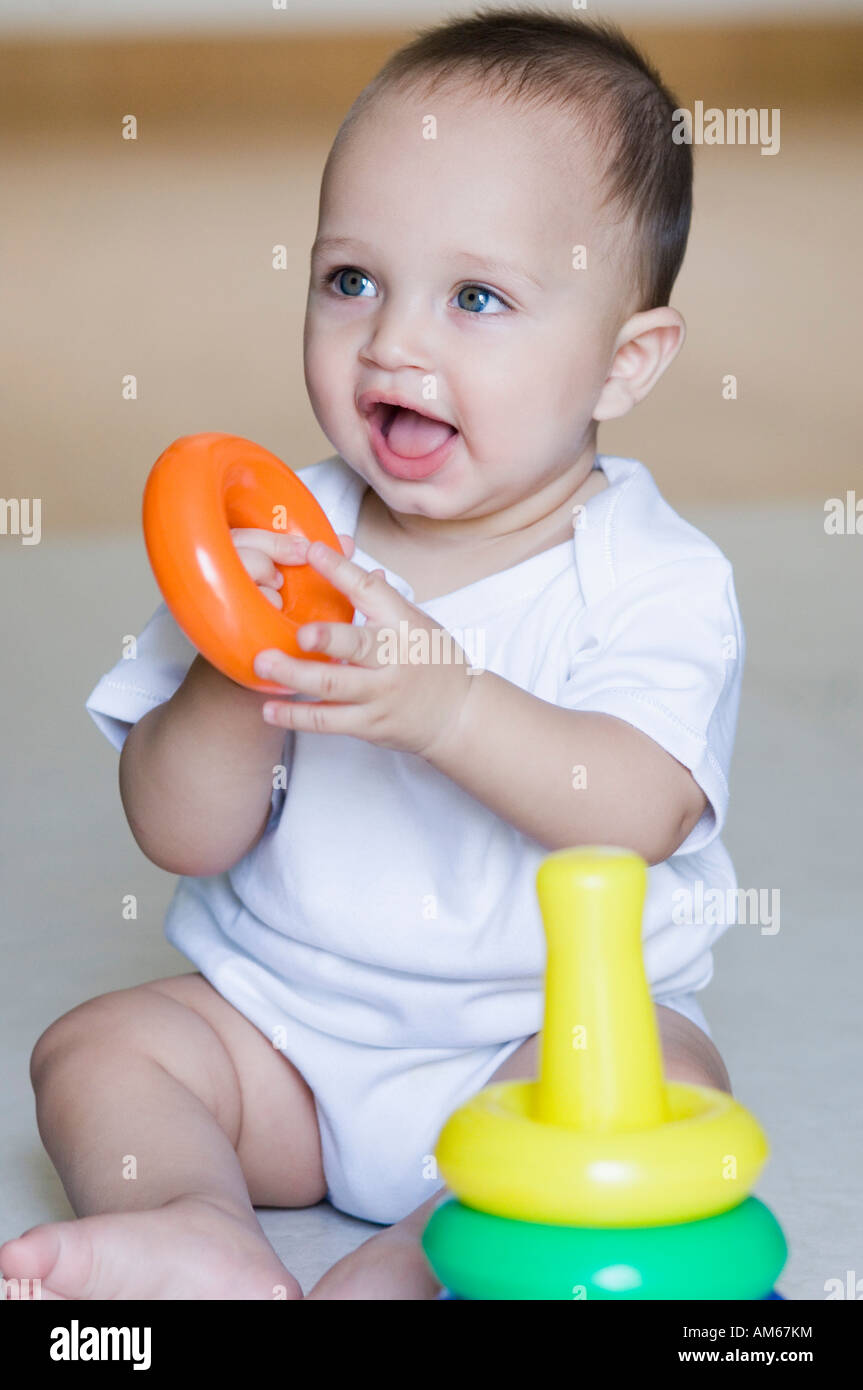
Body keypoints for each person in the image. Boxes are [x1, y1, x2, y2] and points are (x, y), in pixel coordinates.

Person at [1, 10, 741, 1300]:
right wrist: (244, 671)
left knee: (670, 1083)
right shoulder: (279, 539)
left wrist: (444, 705)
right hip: (285, 1042)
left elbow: (641, 809)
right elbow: (178, 832)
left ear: (624, 365)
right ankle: (197, 1224)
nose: (395, 343)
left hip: (541, 1039)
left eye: (476, 298)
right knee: (101, 1048)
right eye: (352, 280)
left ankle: (429, 1252)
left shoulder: (654, 575)